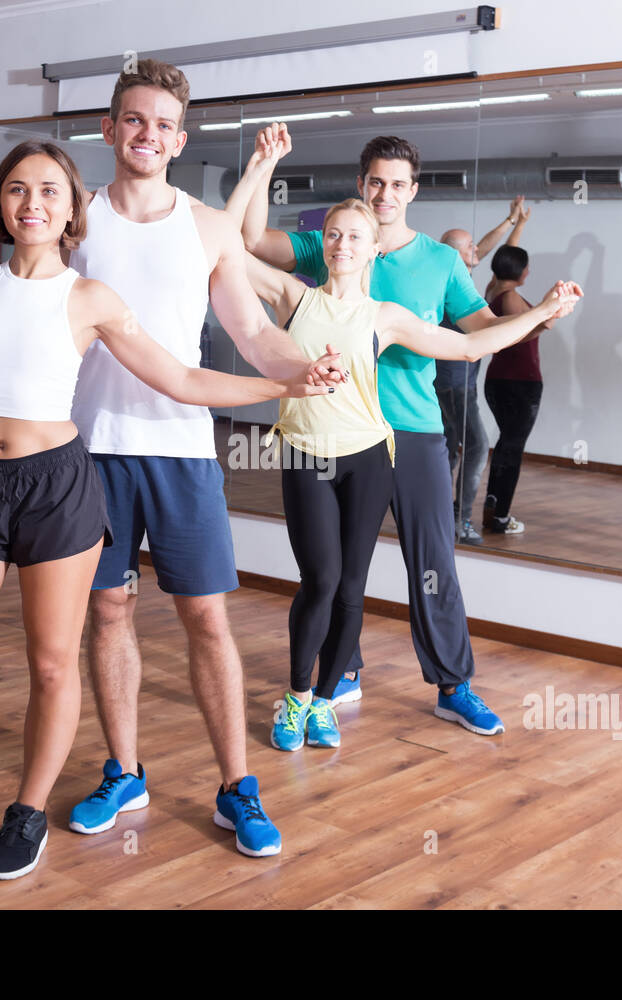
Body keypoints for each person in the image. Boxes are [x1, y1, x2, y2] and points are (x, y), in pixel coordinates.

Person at [0, 7, 345, 861]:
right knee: (106, 618)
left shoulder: (209, 227)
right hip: (80, 455)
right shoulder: (69, 212)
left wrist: (297, 370)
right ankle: (123, 769)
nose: (147, 134)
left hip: (181, 449)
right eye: (134, 120)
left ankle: (236, 787)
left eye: (163, 125)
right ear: (110, 128)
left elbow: (251, 338)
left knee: (206, 622)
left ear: (179, 140)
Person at [232, 143, 578, 750]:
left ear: (412, 190)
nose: (384, 195)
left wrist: (539, 316)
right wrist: (264, 166)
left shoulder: (441, 261)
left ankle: (452, 684)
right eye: (375, 183)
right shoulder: (333, 242)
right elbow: (253, 241)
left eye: (396, 184)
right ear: (361, 185)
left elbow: (472, 336)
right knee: (337, 571)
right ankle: (338, 678)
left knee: (432, 563)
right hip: (331, 434)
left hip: (413, 430)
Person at [435, 197, 525, 542]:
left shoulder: (459, 272)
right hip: (454, 382)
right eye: (469, 246)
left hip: (456, 381)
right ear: (455, 255)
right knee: (475, 447)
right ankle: (458, 520)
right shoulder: (450, 284)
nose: (477, 249)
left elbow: (481, 250)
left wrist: (511, 221)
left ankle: (441, 515)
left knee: (449, 445)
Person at [481, 203, 560, 536]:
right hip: (520, 383)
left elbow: (507, 255)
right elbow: (517, 336)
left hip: (498, 382)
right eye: (526, 267)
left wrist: (520, 224)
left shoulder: (494, 288)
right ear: (522, 271)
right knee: (512, 447)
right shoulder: (513, 298)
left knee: (506, 445)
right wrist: (547, 318)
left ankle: (494, 507)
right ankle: (499, 516)